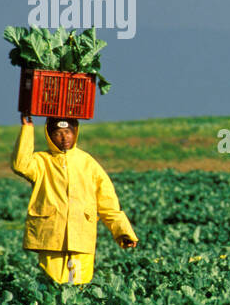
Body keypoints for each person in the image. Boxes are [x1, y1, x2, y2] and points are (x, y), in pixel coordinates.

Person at [11, 115, 138, 285]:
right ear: (49, 135)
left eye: (68, 132)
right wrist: (27, 129)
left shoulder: (88, 163)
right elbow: (20, 165)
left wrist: (123, 231)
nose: (64, 137)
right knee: (53, 286)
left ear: (75, 133)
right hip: (51, 237)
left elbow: (108, 202)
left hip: (81, 235)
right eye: (58, 133)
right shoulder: (41, 161)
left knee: (79, 286)